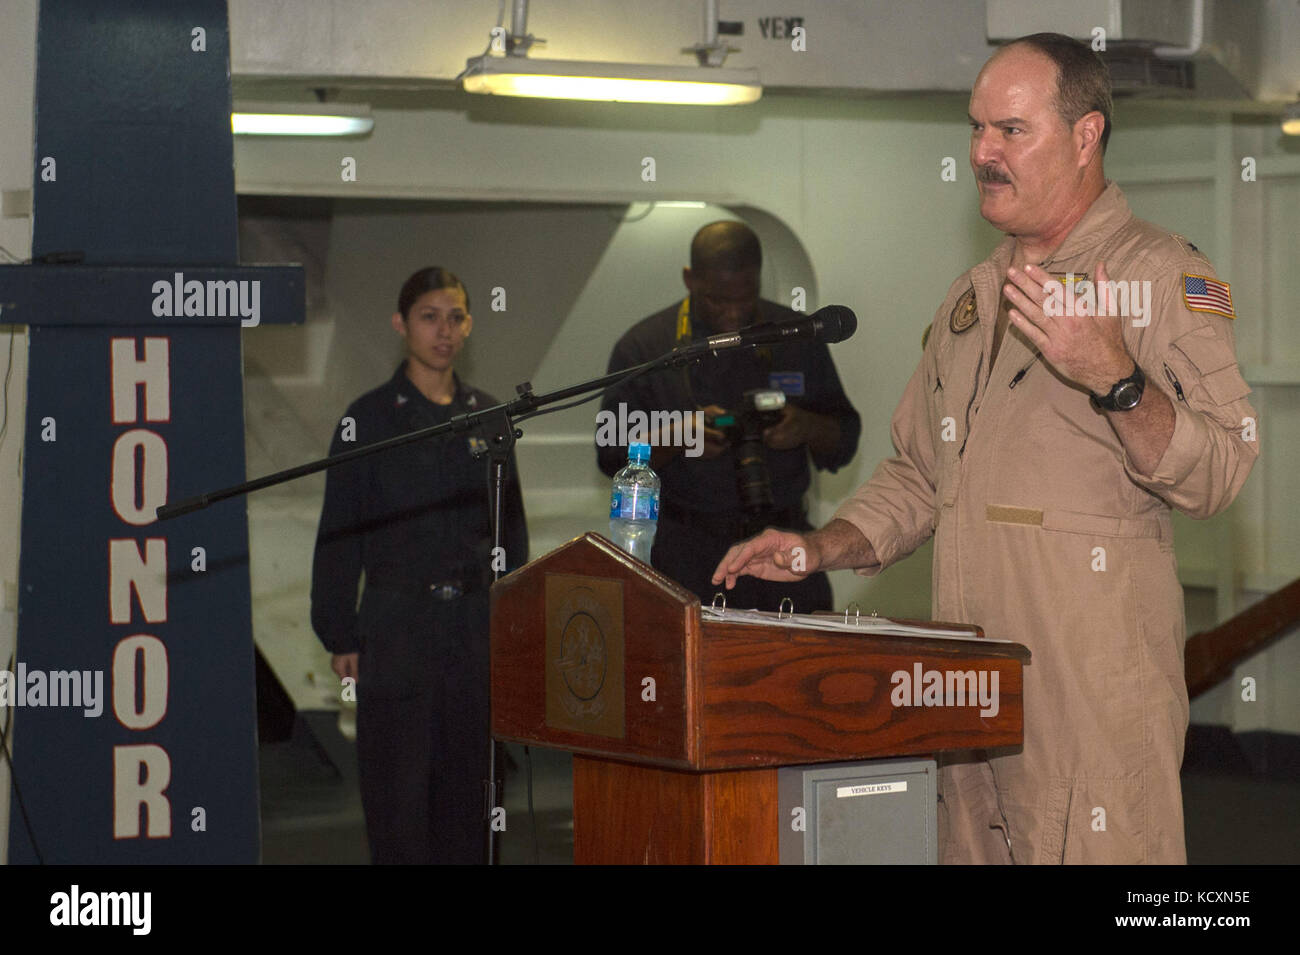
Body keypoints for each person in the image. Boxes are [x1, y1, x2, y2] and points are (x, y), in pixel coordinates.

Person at [712, 34, 1258, 864]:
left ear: (1085, 137)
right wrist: (818, 546)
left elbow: (1222, 465)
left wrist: (1116, 377)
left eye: (1010, 131)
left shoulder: (1158, 276)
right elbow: (923, 475)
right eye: (975, 130)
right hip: (965, 697)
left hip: (1088, 705)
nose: (981, 153)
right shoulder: (972, 298)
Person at [310, 266, 527, 864]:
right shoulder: (369, 419)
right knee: (398, 802)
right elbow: (339, 533)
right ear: (401, 325)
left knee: (475, 802)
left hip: (473, 628)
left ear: (470, 324)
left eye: (455, 317)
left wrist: (510, 623)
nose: (444, 331)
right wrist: (339, 630)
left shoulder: (489, 417)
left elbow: (511, 530)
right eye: (430, 317)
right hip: (396, 628)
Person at [597, 221, 861, 612]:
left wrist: (805, 426)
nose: (734, 315)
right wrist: (675, 439)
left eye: (745, 299)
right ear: (690, 279)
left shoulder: (795, 337)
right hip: (685, 558)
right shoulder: (646, 348)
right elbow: (609, 454)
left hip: (783, 551)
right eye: (718, 301)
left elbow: (844, 440)